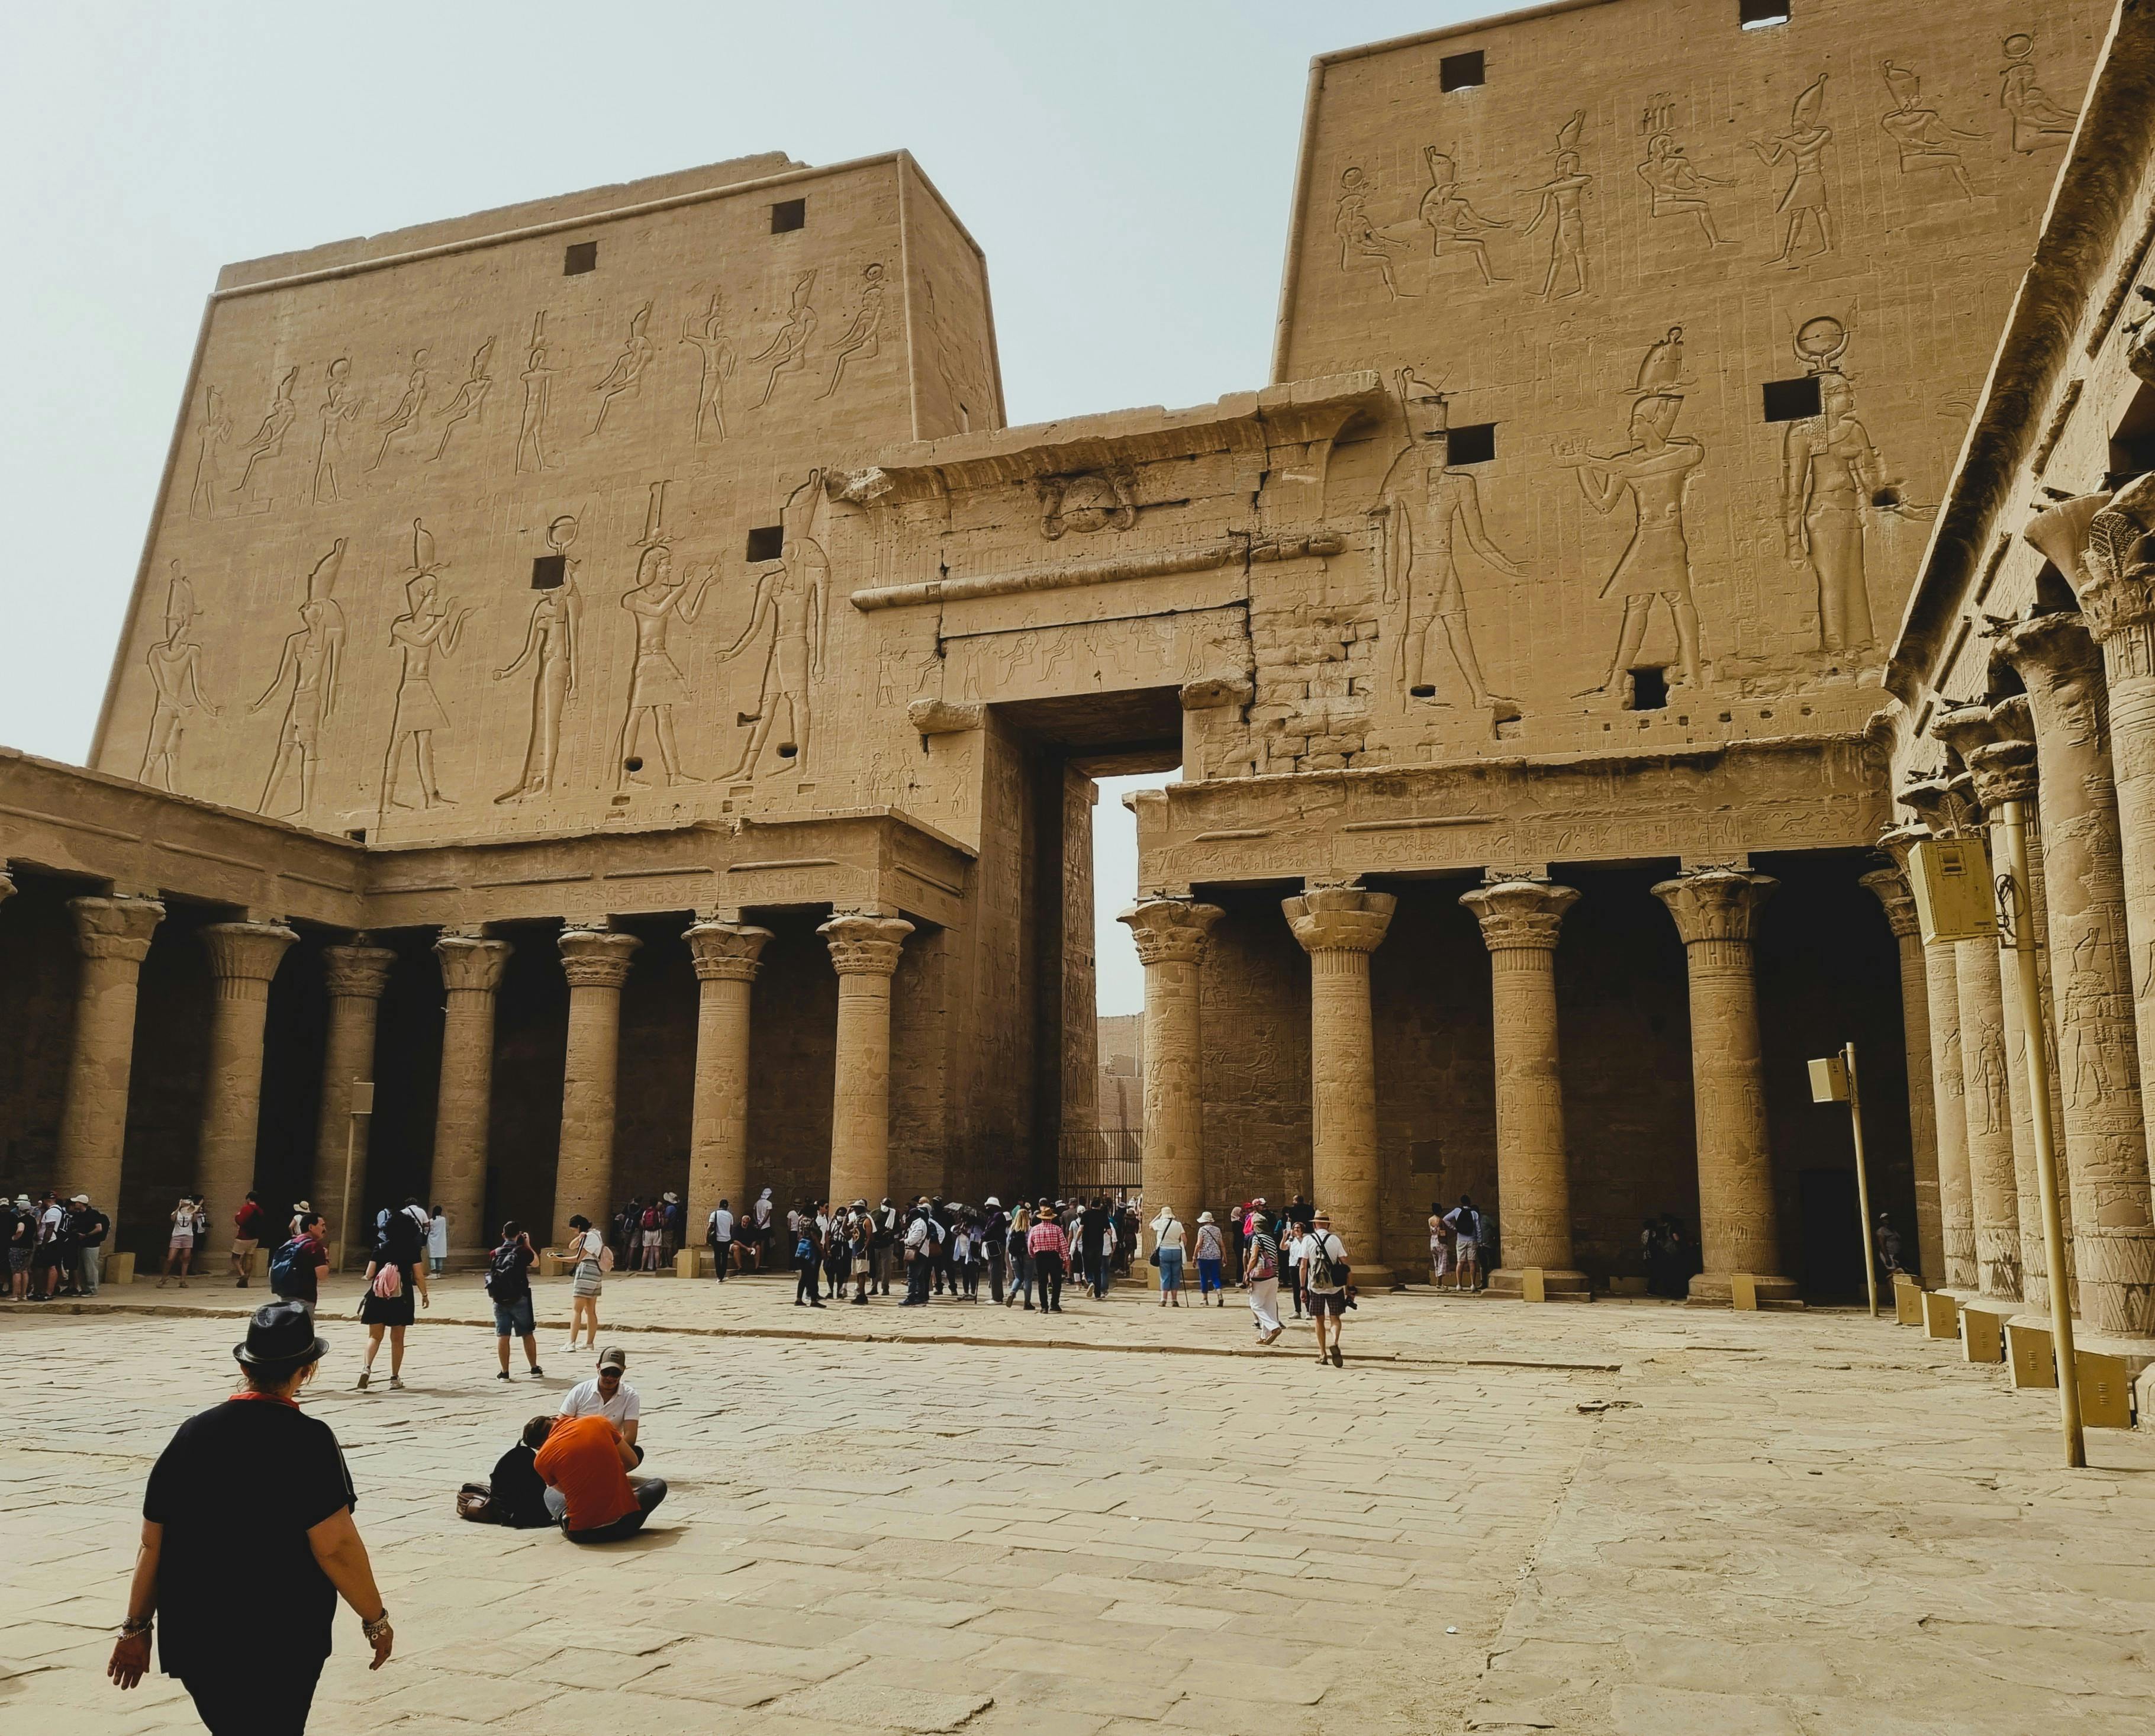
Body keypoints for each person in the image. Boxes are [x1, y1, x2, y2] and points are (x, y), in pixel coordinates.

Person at [107, 1303, 392, 1731]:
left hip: (198, 1633)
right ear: (308, 1369)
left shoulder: (192, 1432)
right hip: (283, 1636)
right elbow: (335, 1545)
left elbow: (153, 1540)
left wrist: (135, 1627)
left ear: (245, 1364)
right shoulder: (309, 1439)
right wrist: (375, 1619)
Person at [530, 1411, 667, 1544]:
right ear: (556, 1420)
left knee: (549, 1493)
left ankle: (566, 1517)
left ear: (539, 1447)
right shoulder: (598, 1421)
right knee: (658, 1484)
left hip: (582, 1533)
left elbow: (565, 1491)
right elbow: (633, 1461)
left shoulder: (541, 1459)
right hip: (626, 1524)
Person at [357, 1199, 429, 1390]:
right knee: (397, 1339)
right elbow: (419, 1276)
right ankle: (394, 1377)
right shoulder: (412, 1249)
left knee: (374, 1336)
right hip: (402, 1296)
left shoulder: (380, 1248)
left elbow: (370, 1273)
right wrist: (424, 1294)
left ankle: (366, 1368)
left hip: (378, 1295)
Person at [559, 1347, 642, 1462]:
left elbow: (630, 1435)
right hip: (577, 1446)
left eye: (615, 1374)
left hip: (609, 1450)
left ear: (623, 1371)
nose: (610, 1378)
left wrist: (606, 1453)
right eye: (606, 1372)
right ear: (598, 1367)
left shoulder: (630, 1396)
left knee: (635, 1454)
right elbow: (561, 1423)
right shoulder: (580, 1390)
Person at [486, 1222, 542, 1380]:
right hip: (520, 1298)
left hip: (499, 1299)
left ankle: (505, 1372)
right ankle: (534, 1368)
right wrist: (528, 1244)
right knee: (527, 1334)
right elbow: (536, 1263)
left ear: (503, 1235)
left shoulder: (494, 1253)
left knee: (503, 1336)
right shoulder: (522, 1251)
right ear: (519, 1235)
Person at [1304, 1209, 1351, 1368]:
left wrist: (1302, 1288)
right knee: (1335, 1318)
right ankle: (1335, 1341)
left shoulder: (1308, 1240)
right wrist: (1349, 1287)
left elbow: (1303, 1266)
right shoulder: (1335, 1240)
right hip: (1334, 1286)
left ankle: (1323, 1353)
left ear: (1315, 1224)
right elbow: (1345, 1264)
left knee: (1319, 1319)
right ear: (1328, 1224)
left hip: (1315, 1286)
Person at [270, 1212, 330, 1317]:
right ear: (311, 1227)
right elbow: (322, 1276)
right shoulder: (314, 1247)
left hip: (283, 1297)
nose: (324, 1229)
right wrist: (325, 1258)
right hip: (304, 1299)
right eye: (322, 1225)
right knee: (303, 1332)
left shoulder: (289, 1243)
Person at [565, 1214, 605, 1353]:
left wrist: (559, 1260)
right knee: (590, 1310)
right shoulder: (594, 1235)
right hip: (596, 1272)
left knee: (577, 1309)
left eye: (574, 1230)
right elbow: (572, 1246)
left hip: (586, 1270)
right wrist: (579, 1237)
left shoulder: (591, 1237)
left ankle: (571, 1343)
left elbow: (578, 1257)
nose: (574, 1233)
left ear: (578, 1227)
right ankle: (589, 1343)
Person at [1245, 1212, 1284, 1344]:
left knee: (1255, 1305)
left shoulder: (1257, 1239)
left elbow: (1254, 1257)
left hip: (1261, 1275)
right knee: (1270, 1305)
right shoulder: (1271, 1239)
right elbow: (1276, 1259)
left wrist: (1248, 1271)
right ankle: (1264, 1336)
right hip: (1273, 1275)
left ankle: (1274, 1327)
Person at [1027, 1203, 1067, 1313]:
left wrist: (1033, 1255)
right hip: (1054, 1256)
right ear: (1051, 1218)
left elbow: (1030, 1245)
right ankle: (1054, 1304)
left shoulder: (1034, 1229)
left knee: (1042, 1282)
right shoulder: (1057, 1229)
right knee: (1057, 1281)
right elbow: (1063, 1245)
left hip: (1040, 1257)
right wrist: (1065, 1259)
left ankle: (1044, 1306)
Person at [69, 1193, 110, 1297]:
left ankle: (92, 1289)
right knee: (82, 1268)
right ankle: (85, 1288)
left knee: (90, 1267)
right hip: (82, 1243)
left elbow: (99, 1228)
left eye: (77, 1202)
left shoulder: (93, 1214)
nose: (75, 1204)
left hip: (91, 1244)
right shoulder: (79, 1215)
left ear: (81, 1203)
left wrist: (86, 1235)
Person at [1445, 1196, 1484, 1293]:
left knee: (1460, 1262)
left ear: (1461, 1202)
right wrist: (1480, 1240)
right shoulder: (1474, 1213)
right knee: (1472, 1262)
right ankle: (1473, 1285)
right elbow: (1478, 1228)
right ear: (1469, 1203)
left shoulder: (1457, 1211)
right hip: (1472, 1240)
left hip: (1461, 1240)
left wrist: (1454, 1228)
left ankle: (1459, 1284)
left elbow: (1446, 1219)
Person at [231, 1190, 269, 1288]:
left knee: (235, 1257)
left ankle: (242, 1274)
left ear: (248, 1199)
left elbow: (240, 1221)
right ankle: (247, 1277)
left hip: (243, 1236)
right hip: (255, 1237)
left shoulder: (246, 1209)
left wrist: (237, 1216)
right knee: (249, 1257)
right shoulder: (260, 1210)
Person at [1153, 1206, 1187, 1307]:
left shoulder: (1159, 1223)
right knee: (1176, 1276)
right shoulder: (1178, 1224)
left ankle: (1163, 1299)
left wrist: (1158, 1215)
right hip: (1176, 1251)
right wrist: (1180, 1245)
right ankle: (1174, 1300)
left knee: (1165, 1276)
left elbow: (1150, 1225)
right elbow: (1184, 1239)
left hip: (1164, 1251)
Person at [1193, 1211, 1226, 1306]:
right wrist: (1225, 1256)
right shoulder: (1217, 1230)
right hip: (1216, 1256)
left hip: (1204, 1256)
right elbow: (1222, 1244)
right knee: (1215, 1277)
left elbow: (1199, 1244)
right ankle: (1219, 1294)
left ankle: (1205, 1299)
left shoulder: (1202, 1230)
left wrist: (1194, 1256)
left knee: (1204, 1277)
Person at [1006, 1199, 1033, 1309]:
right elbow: (1031, 1243)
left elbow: (1009, 1243)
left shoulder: (1012, 1230)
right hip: (1027, 1255)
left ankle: (1013, 1292)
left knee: (1018, 1277)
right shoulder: (1030, 1229)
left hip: (1014, 1256)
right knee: (1028, 1279)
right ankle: (1027, 1303)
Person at [4, 1193, 31, 1300]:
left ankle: (15, 1295)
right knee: (25, 1270)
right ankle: (24, 1294)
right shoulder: (33, 1219)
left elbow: (20, 1229)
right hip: (29, 1247)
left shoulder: (21, 1220)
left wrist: (14, 1238)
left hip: (19, 1247)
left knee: (16, 1272)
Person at [707, 1197, 734, 1281]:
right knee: (725, 1258)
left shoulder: (714, 1214)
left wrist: (707, 1239)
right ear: (727, 1207)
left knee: (717, 1258)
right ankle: (722, 1275)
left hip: (717, 1239)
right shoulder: (730, 1215)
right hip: (726, 1239)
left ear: (720, 1205)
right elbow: (731, 1228)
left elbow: (710, 1227)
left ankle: (719, 1276)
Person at [427, 1206, 449, 1277]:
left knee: (432, 1256)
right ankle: (439, 1273)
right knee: (440, 1256)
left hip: (432, 1239)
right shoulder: (443, 1219)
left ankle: (433, 1273)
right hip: (441, 1239)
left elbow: (427, 1230)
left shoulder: (431, 1221)